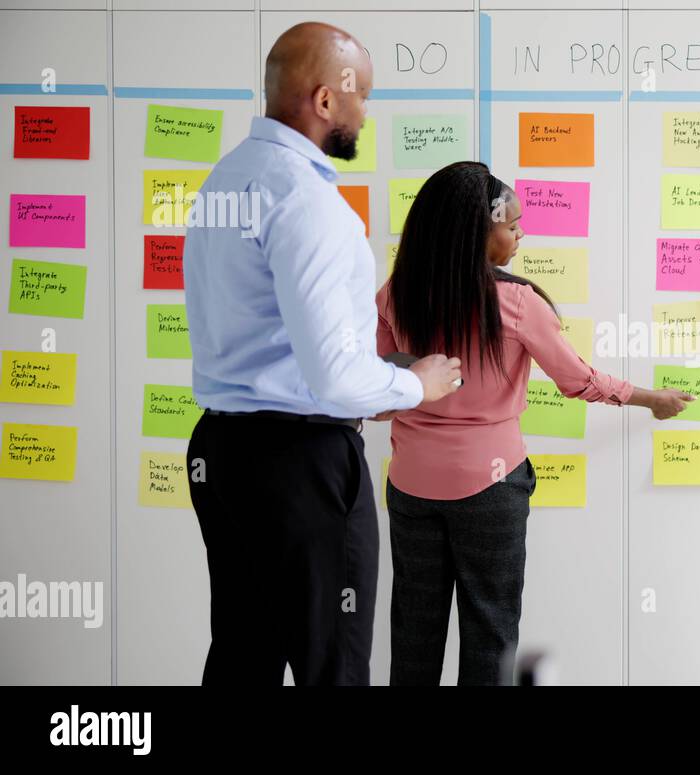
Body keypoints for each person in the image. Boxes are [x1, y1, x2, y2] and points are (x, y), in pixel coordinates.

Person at [184, 22, 462, 686]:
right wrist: (415, 384)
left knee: (243, 651)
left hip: (220, 455)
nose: (367, 110)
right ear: (324, 99)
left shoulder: (225, 180)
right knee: (331, 663)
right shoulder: (311, 203)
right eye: (361, 94)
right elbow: (336, 378)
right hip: (300, 463)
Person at [373, 161, 694, 685]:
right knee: (491, 632)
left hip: (411, 486)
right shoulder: (517, 302)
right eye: (513, 225)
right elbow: (578, 380)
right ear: (479, 232)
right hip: (490, 486)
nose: (522, 234)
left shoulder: (395, 293)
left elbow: (382, 392)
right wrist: (649, 398)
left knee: (414, 629)